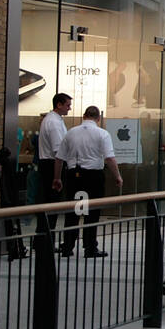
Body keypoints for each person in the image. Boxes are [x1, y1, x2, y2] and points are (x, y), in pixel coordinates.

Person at [55, 106, 122, 258]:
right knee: (92, 212)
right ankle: (90, 247)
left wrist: (57, 178)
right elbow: (109, 158)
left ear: (84, 116)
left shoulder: (71, 132)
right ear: (98, 118)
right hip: (93, 177)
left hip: (74, 175)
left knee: (73, 212)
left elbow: (59, 158)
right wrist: (117, 176)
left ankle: (67, 246)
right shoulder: (102, 134)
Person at [36, 92, 72, 237]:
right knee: (52, 203)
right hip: (52, 166)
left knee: (49, 202)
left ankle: (43, 236)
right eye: (67, 105)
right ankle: (45, 237)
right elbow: (59, 152)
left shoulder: (53, 120)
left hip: (48, 164)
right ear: (59, 104)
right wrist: (57, 176)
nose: (69, 108)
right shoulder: (54, 123)